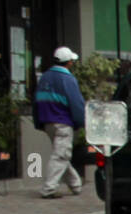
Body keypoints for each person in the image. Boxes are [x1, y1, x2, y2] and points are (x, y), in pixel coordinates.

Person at [32, 46, 86, 199]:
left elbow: (36, 101)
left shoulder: (44, 77)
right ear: (68, 62)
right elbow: (76, 104)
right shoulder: (68, 79)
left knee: (61, 154)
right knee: (60, 156)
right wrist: (81, 122)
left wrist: (38, 122)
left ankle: (76, 185)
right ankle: (48, 189)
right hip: (63, 123)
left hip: (48, 122)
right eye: (72, 61)